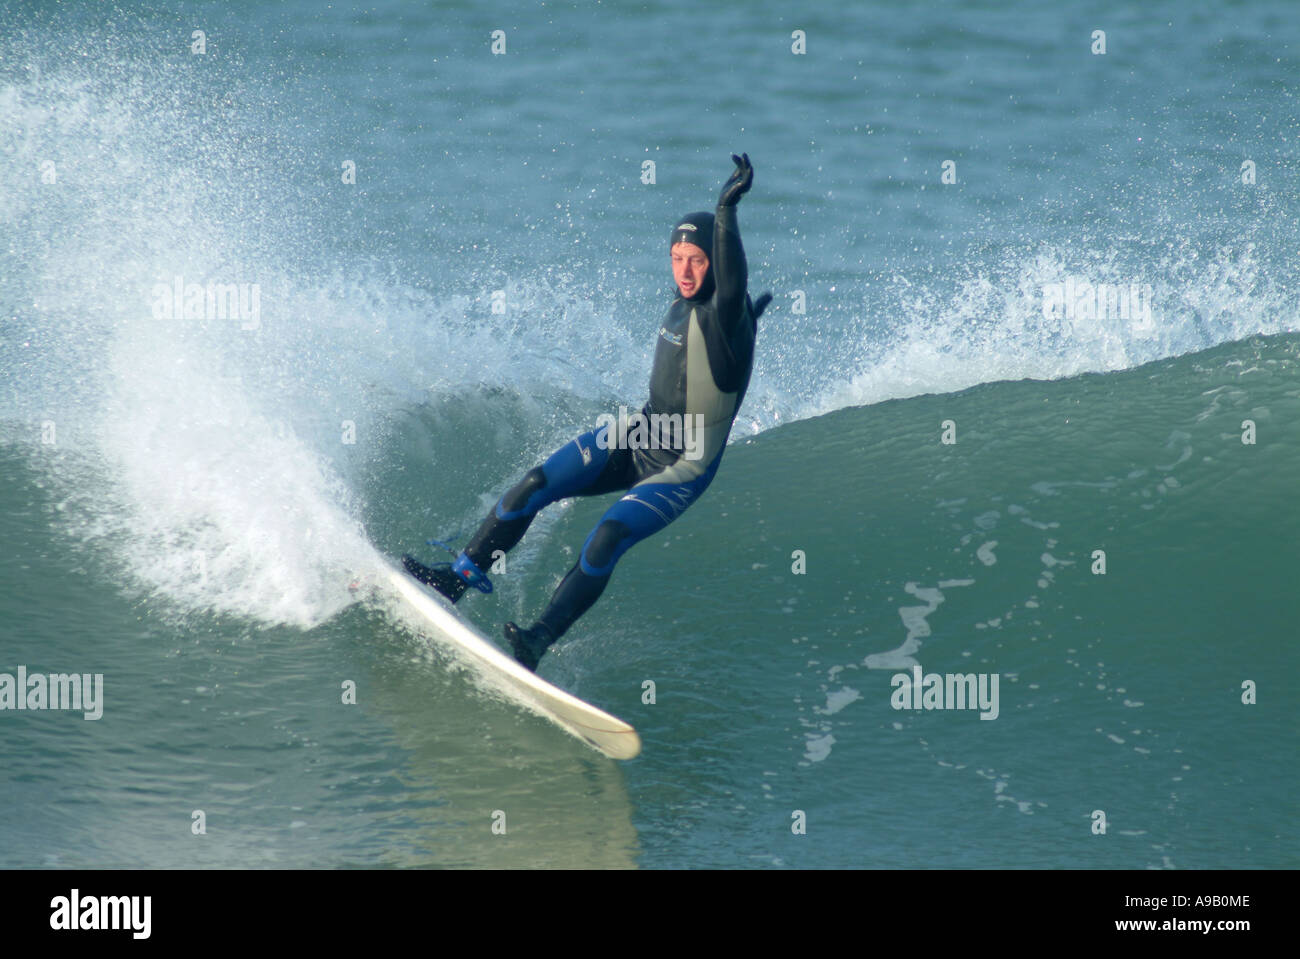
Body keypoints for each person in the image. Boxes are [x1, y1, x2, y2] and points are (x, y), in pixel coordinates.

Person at [404, 153, 772, 671]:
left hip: (684, 463)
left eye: (699, 260)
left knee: (607, 536)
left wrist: (726, 212)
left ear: (716, 261)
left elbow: (731, 290)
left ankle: (537, 641)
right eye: (677, 258)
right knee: (534, 483)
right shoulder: (683, 300)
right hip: (639, 432)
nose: (686, 271)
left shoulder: (722, 311)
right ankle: (457, 578)